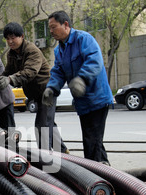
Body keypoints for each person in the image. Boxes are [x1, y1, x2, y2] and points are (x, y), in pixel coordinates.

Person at [45, 11, 113, 164]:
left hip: (97, 99)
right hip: (83, 103)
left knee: (91, 142)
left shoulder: (84, 39)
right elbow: (58, 72)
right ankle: (106, 170)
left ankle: (94, 177)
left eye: (53, 27)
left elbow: (95, 62)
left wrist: (81, 79)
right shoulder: (59, 50)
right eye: (49, 28)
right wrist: (51, 88)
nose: (51, 31)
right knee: (94, 141)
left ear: (66, 25)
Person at [0, 22, 69, 153]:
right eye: (7, 38)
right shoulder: (11, 53)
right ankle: (63, 152)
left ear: (22, 36)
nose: (10, 41)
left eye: (13, 38)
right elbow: (8, 71)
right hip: (35, 94)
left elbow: (30, 72)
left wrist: (10, 79)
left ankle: (45, 159)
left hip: (47, 91)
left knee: (42, 126)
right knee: (49, 123)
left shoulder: (32, 50)